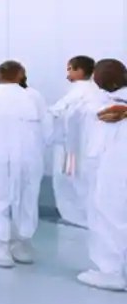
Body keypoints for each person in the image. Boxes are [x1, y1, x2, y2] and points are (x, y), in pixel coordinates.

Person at [0, 60, 51, 267]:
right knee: (27, 198)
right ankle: (22, 244)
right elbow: (48, 131)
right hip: (30, 157)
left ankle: (0, 246)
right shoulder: (34, 96)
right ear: (21, 74)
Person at [78, 58, 127, 291]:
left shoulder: (98, 104)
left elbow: (96, 113)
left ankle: (110, 272)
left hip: (112, 170)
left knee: (108, 215)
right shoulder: (105, 104)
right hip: (113, 168)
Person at [48, 55, 99, 227]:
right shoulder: (95, 90)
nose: (67, 73)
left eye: (70, 69)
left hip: (71, 146)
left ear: (80, 70)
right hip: (87, 146)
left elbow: (59, 111)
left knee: (69, 181)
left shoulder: (79, 91)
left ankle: (76, 217)